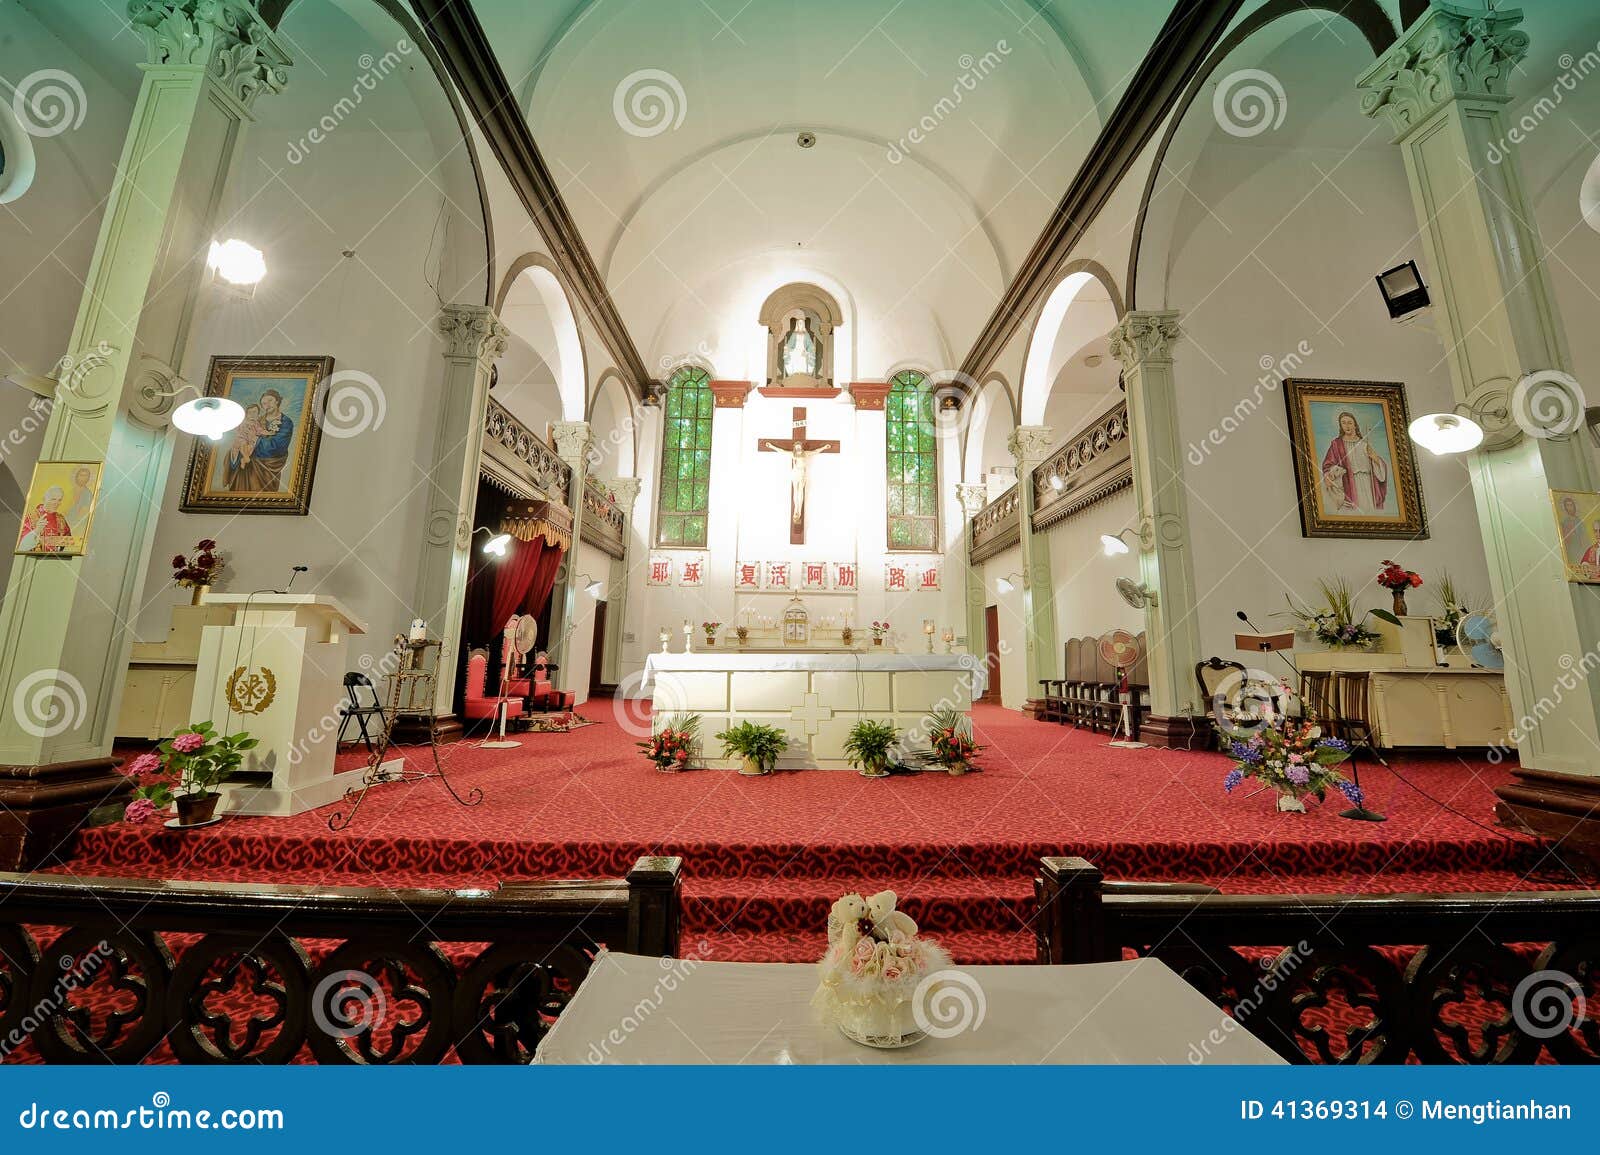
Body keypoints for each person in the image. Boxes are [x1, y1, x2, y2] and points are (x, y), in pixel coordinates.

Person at [224, 389, 294, 492]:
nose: (267, 405)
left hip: (267, 467)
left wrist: (254, 439)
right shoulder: (258, 420)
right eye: (264, 403)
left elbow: (277, 447)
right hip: (246, 466)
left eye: (270, 400)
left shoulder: (286, 422)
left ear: (277, 401)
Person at [1320, 410, 1390, 515]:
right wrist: (1332, 472)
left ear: (1355, 425)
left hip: (1367, 484)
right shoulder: (1336, 444)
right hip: (1349, 484)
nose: (1347, 426)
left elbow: (1380, 467)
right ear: (1340, 425)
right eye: (1343, 423)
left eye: (1349, 422)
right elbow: (1327, 465)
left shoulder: (1364, 444)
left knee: (1369, 511)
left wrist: (1375, 458)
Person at [17, 485, 73, 553]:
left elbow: (69, 542)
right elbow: (21, 546)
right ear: (44, 499)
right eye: (53, 499)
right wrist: (36, 530)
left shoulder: (61, 520)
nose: (56, 503)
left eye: (59, 500)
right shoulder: (31, 517)